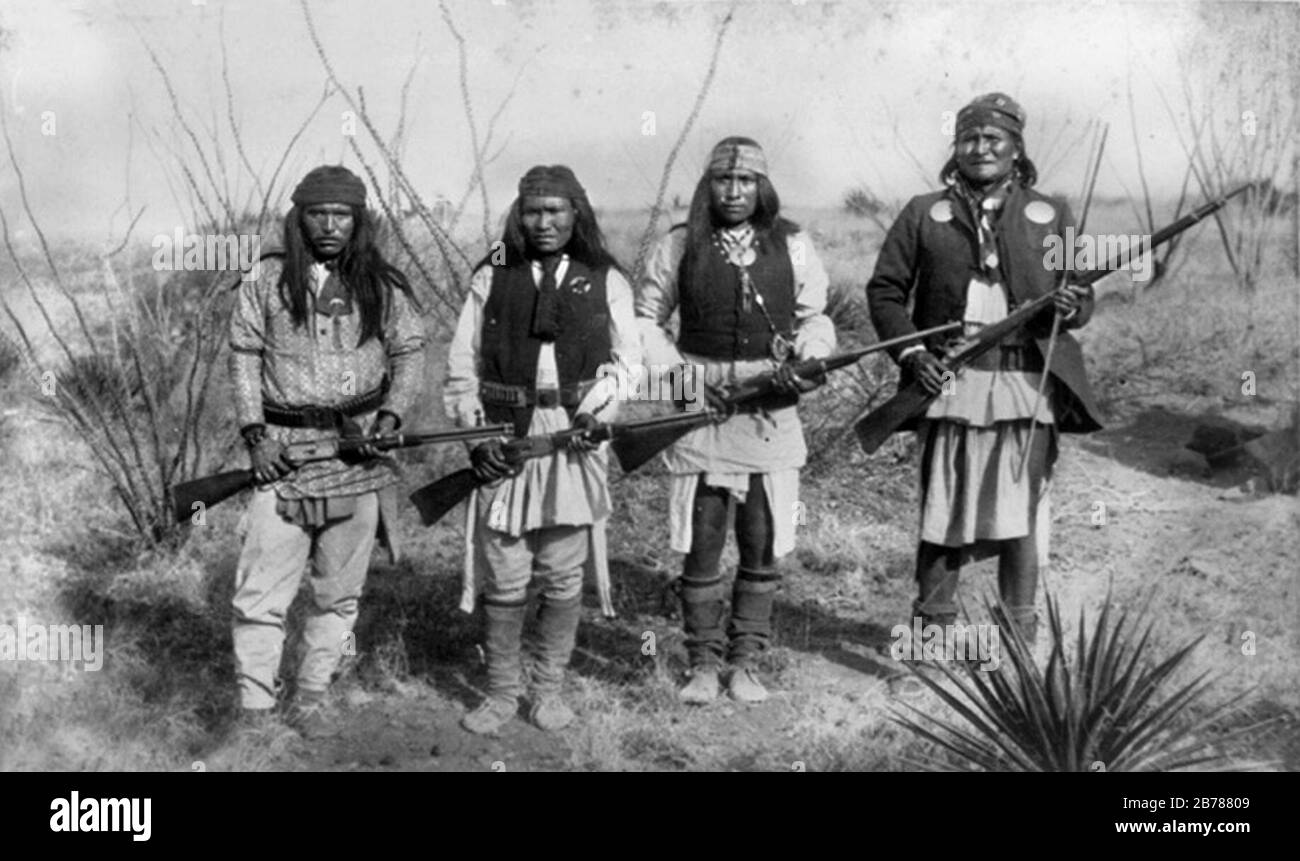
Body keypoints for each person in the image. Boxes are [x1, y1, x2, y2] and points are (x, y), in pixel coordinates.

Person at [865, 93, 1103, 666]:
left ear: (1016, 148)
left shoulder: (1052, 213)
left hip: (1026, 386)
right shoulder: (924, 212)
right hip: (948, 386)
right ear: (956, 148)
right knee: (941, 516)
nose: (981, 148)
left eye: (994, 139)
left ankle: (1018, 654)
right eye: (970, 138)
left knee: (1021, 519)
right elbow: (885, 291)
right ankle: (928, 651)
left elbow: (1082, 294)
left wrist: (1072, 305)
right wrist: (914, 352)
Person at [227, 164, 426, 735]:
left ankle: (312, 693)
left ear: (358, 220)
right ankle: (256, 708)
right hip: (283, 459)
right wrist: (256, 437)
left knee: (338, 594)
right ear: (300, 218)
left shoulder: (380, 283)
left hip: (358, 458)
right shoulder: (265, 280)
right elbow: (243, 354)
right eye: (319, 214)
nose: (331, 226)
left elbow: (410, 349)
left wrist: (390, 414)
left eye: (343, 215)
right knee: (260, 593)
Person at [637, 137, 836, 704]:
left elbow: (814, 316)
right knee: (701, 538)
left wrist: (808, 359)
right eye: (723, 181)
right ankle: (701, 661)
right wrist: (684, 383)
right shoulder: (680, 245)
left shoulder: (792, 244)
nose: (734, 191)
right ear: (708, 186)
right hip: (701, 409)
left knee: (761, 537)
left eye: (746, 181)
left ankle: (746, 661)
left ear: (762, 187)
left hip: (769, 406)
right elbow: (646, 321)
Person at [443, 165, 640, 734]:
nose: (545, 222)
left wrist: (595, 413)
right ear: (519, 215)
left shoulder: (605, 277)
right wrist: (477, 433)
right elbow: (462, 362)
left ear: (576, 213)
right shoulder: (493, 274)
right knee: (504, 569)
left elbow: (629, 364)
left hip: (574, 438)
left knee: (561, 570)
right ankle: (502, 693)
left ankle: (548, 691)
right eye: (534, 211)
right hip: (505, 433)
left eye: (556, 211)